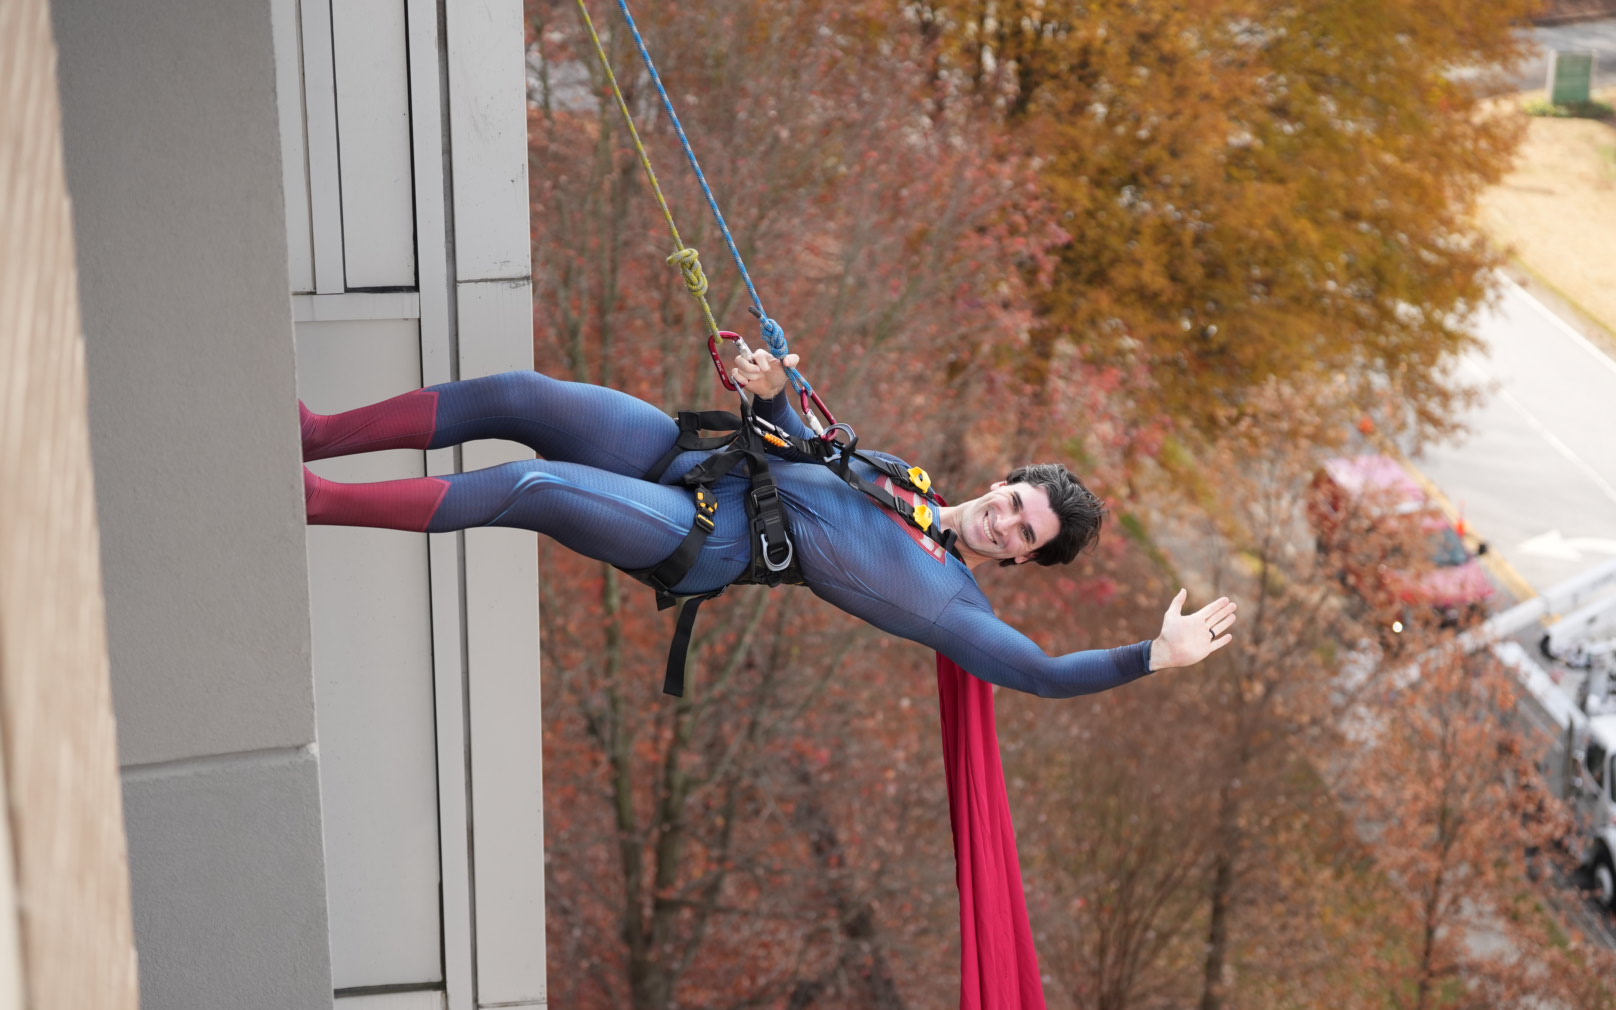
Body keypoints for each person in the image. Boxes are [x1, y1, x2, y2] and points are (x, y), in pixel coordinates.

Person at [302, 352, 1236, 697]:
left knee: (534, 486)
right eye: (1015, 504)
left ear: (1021, 561)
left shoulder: (949, 603)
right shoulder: (906, 480)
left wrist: (1149, 658)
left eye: (1020, 537)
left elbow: (1038, 674)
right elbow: (799, 446)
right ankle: (320, 436)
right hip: (699, 460)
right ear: (1002, 482)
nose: (1003, 524)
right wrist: (773, 389)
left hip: (705, 532)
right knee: (521, 393)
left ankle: (315, 499)